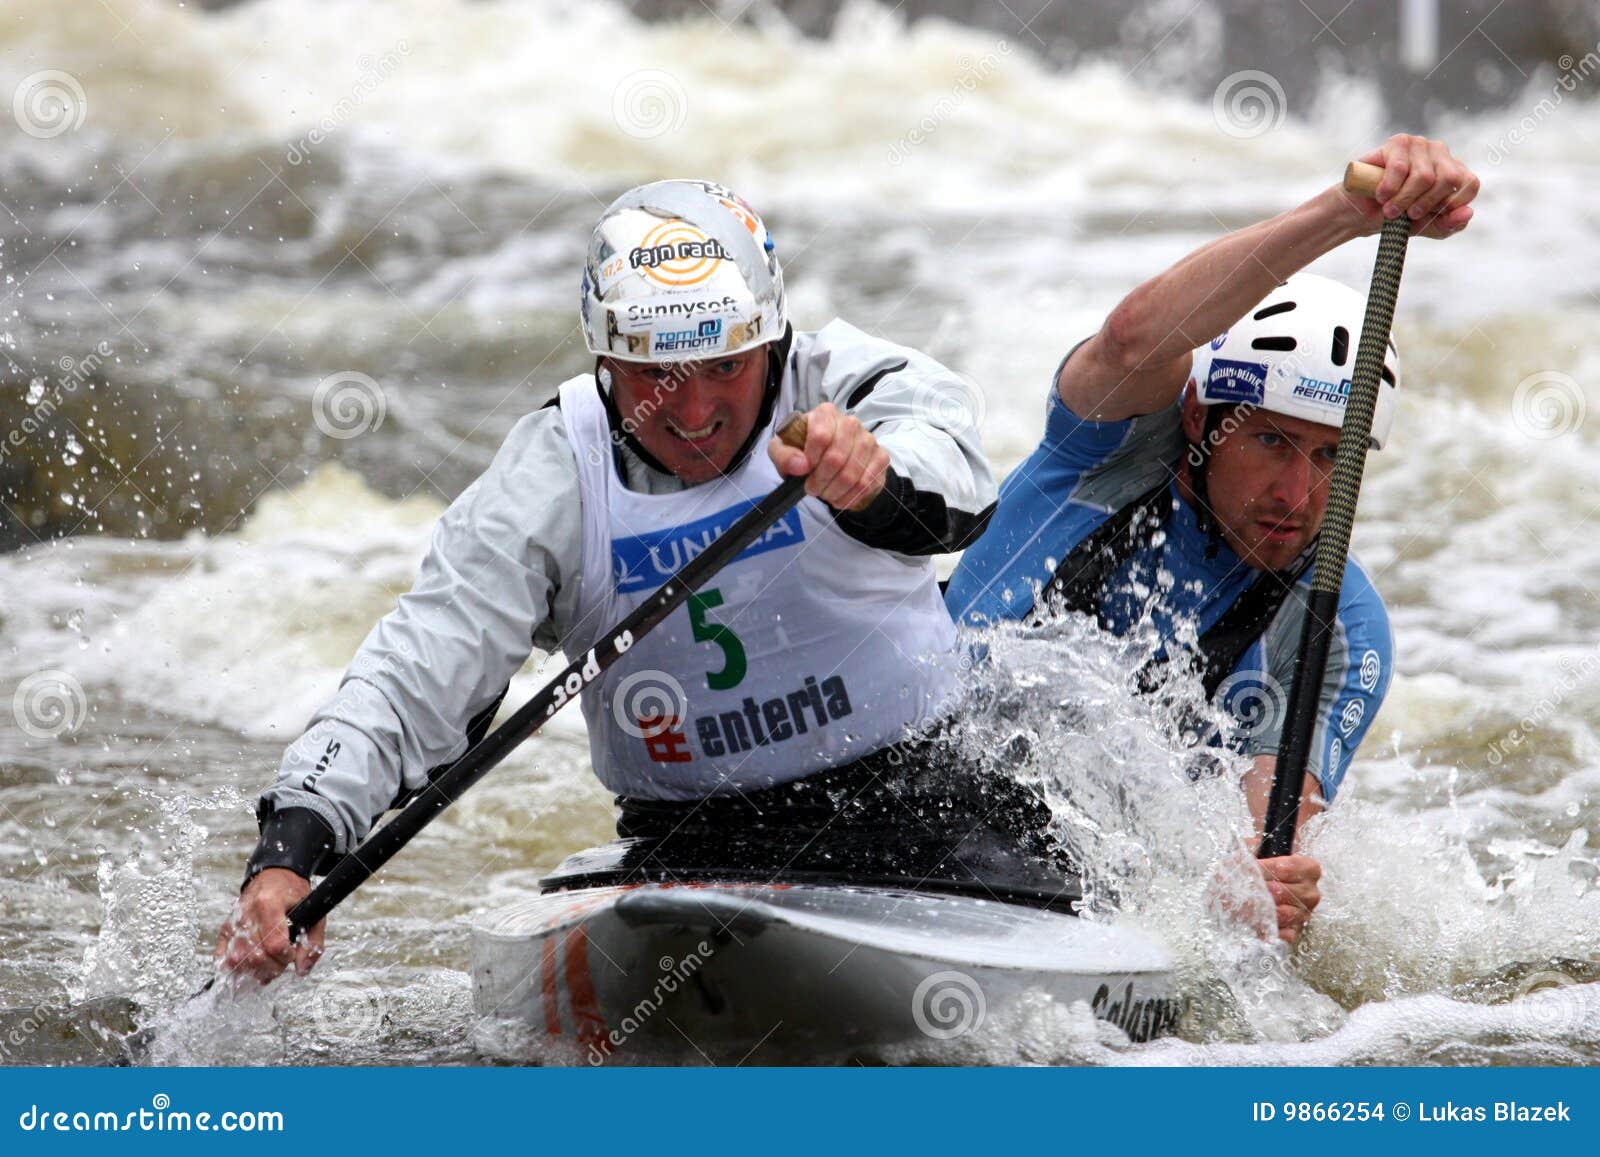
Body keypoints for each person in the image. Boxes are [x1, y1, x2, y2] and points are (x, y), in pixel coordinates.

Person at [217, 179, 1010, 982]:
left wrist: (876, 477)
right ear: (604, 357)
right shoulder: (553, 476)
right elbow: (417, 675)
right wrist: (291, 850)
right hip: (687, 848)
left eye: (724, 365)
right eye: (655, 372)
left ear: (771, 337)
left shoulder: (849, 385)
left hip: (929, 805)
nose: (693, 406)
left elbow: (961, 483)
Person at [945, 135, 1480, 944]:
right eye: (1270, 442)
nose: (1299, 496)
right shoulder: (1110, 448)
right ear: (1201, 420)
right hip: (906, 778)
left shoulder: (1343, 627)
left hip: (1055, 882)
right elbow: (1133, 337)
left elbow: (1268, 826)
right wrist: (1346, 213)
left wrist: (1249, 890)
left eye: (1331, 456)